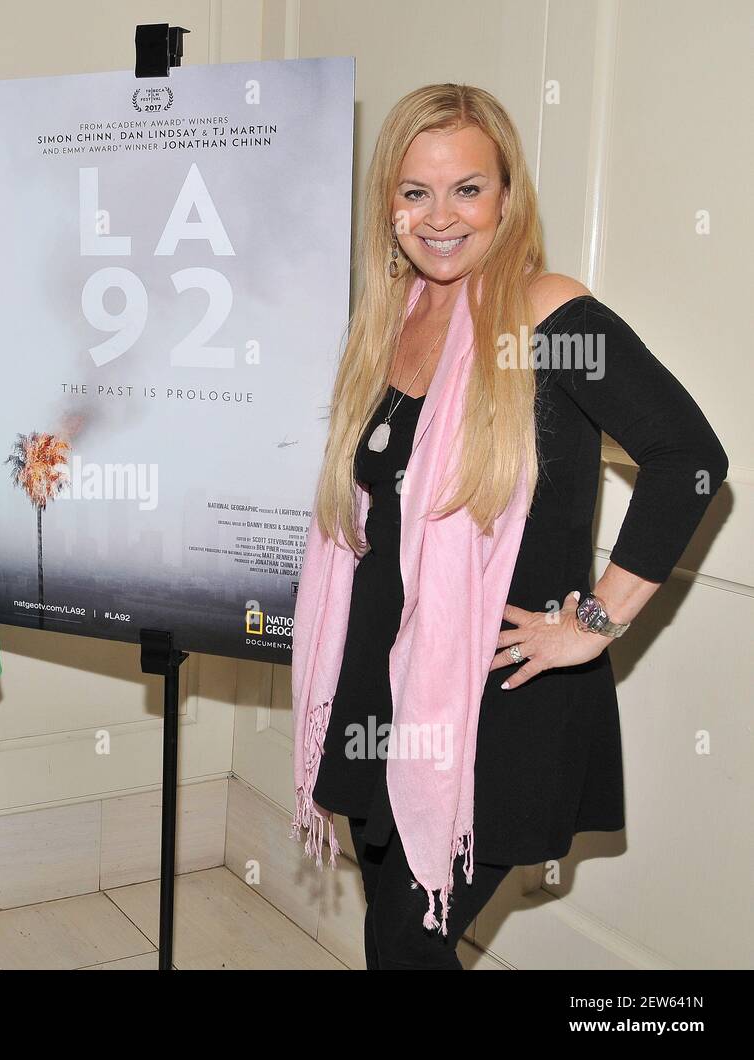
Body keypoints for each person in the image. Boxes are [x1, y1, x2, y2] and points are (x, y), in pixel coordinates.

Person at [290, 84, 728, 970]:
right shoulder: (394, 323)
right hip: (388, 691)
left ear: (507, 196)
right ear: (389, 207)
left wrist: (596, 620)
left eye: (467, 189)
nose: (441, 217)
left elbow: (688, 458)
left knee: (403, 946)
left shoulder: (544, 318)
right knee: (399, 937)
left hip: (497, 706)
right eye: (415, 192)